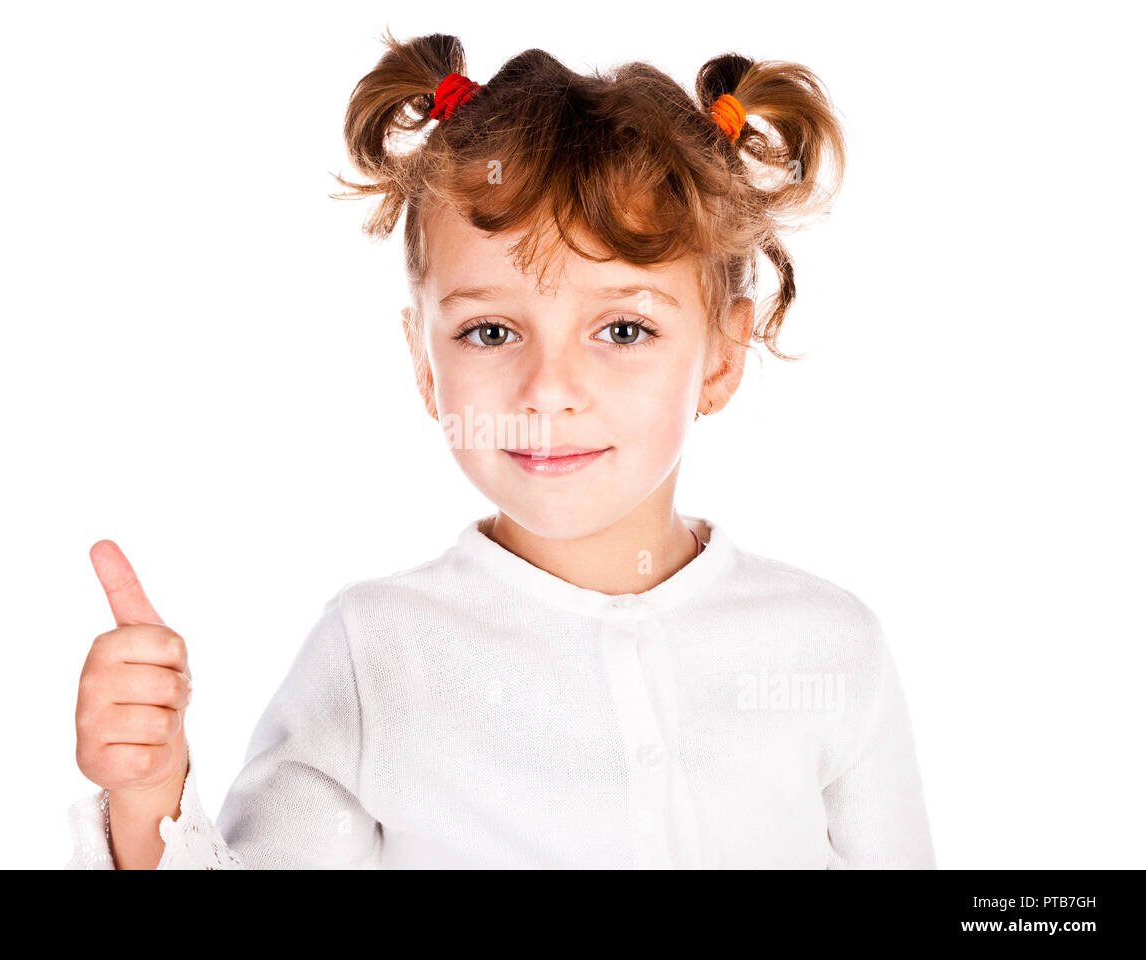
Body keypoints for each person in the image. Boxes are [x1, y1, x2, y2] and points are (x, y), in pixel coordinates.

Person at [66, 29, 934, 869]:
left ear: (722, 357)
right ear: (423, 362)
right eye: (491, 331)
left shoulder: (828, 651)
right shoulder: (376, 655)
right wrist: (149, 795)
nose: (547, 389)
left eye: (622, 328)